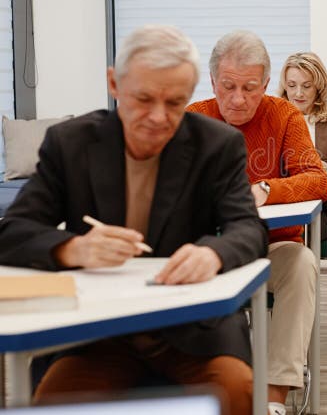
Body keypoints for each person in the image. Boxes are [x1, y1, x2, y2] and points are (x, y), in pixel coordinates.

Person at [0, 25, 267, 415]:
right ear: (114, 83)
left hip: (194, 332)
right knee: (55, 402)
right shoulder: (70, 143)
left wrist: (213, 254)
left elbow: (249, 228)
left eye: (175, 102)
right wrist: (73, 248)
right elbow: (12, 233)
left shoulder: (217, 145)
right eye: (143, 99)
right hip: (96, 334)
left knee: (237, 392)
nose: (159, 117)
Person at [186, 30, 327, 415]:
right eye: (228, 86)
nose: (238, 98)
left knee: (302, 264)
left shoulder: (283, 116)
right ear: (213, 81)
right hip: (210, 250)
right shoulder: (194, 119)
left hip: (272, 248)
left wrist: (266, 189)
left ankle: (273, 400)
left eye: (250, 88)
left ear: (266, 84)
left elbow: (317, 180)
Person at [278, 51, 327, 245]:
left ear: (319, 86)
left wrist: (323, 168)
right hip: (282, 205)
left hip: (323, 211)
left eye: (306, 86)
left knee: (294, 231)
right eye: (292, 85)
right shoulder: (274, 117)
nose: (298, 93)